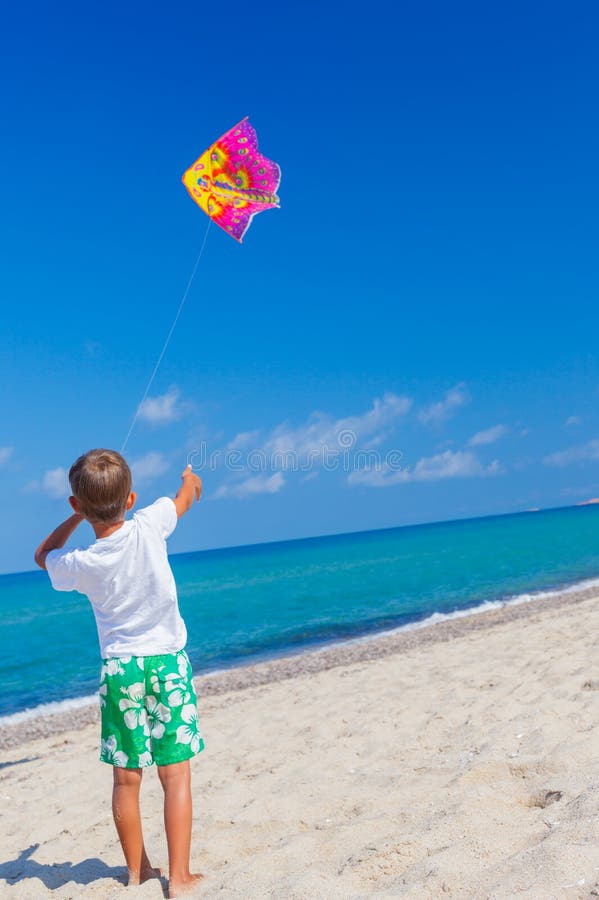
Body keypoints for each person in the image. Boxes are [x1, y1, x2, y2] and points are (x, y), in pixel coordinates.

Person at [34, 448, 205, 898]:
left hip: (122, 671)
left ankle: (139, 874)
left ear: (77, 505)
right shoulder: (150, 523)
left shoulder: (82, 563)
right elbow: (186, 497)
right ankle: (181, 878)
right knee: (177, 774)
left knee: (126, 778)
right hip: (167, 663)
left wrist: (75, 514)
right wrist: (190, 479)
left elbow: (43, 554)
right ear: (131, 499)